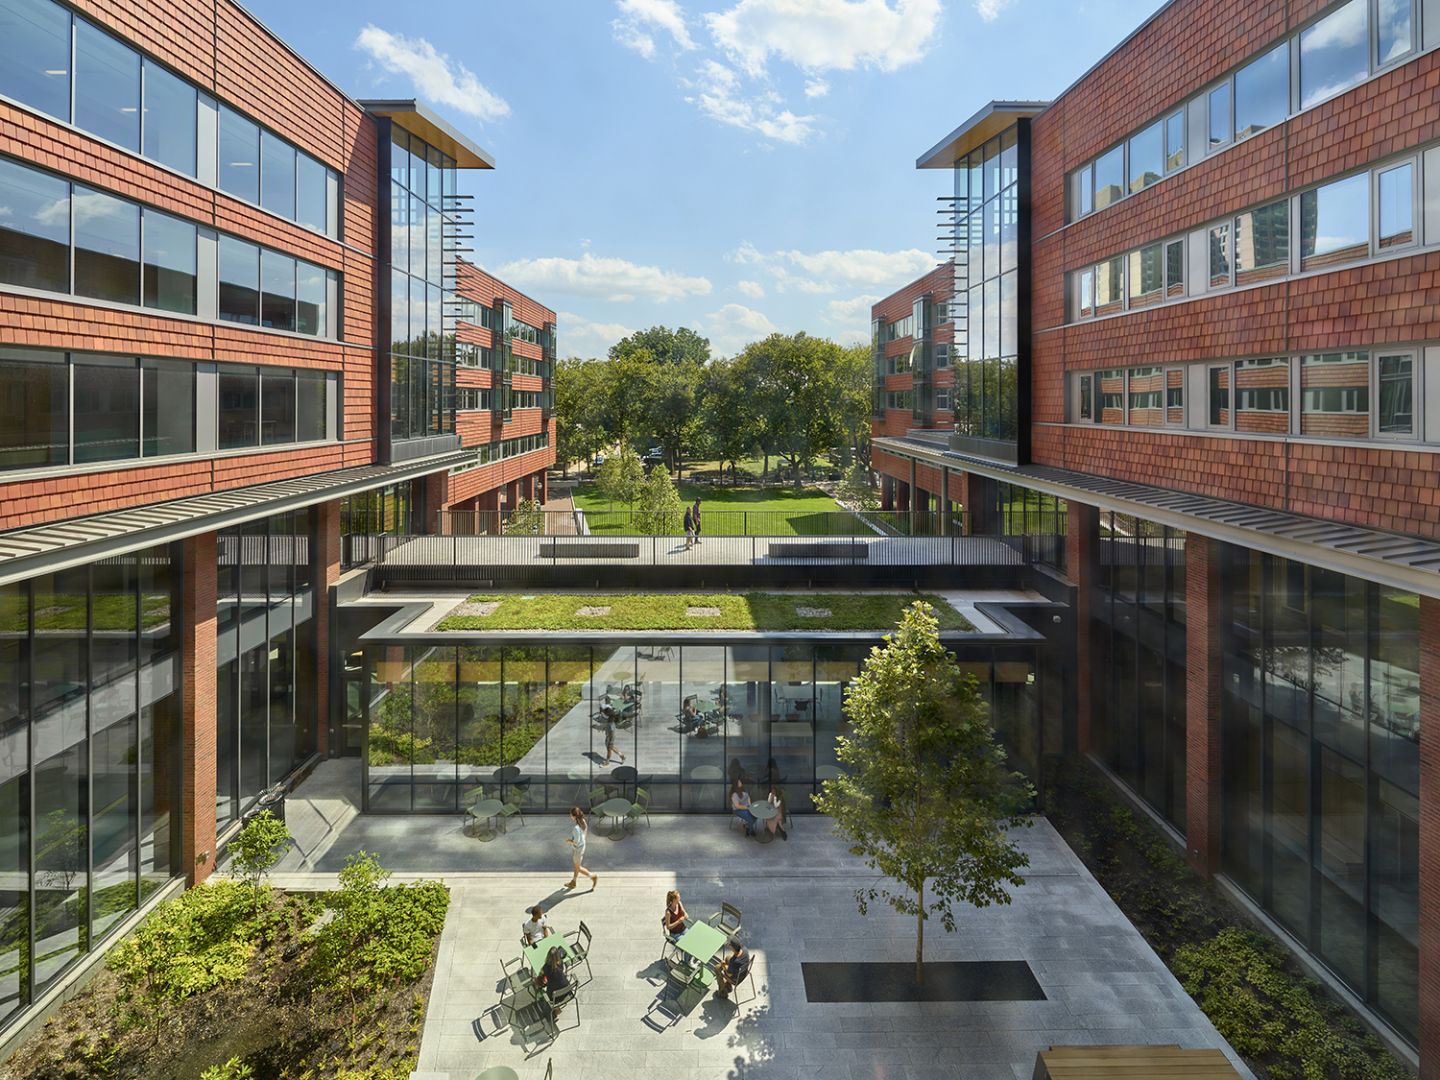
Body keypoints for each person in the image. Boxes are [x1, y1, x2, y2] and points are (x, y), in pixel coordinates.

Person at [534, 945, 572, 1019]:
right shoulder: (561, 962)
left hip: (554, 996)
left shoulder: (546, 967)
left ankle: (556, 1009)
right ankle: (556, 1008)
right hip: (566, 991)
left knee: (537, 982)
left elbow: (540, 977)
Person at [565, 806, 597, 890]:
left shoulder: (576, 828)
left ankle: (592, 876)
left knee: (577, 867)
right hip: (582, 846)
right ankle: (573, 881)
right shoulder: (583, 821)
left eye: (571, 815)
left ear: (574, 816)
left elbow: (576, 841)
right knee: (576, 865)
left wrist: (569, 841)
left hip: (578, 849)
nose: (570, 816)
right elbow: (584, 833)